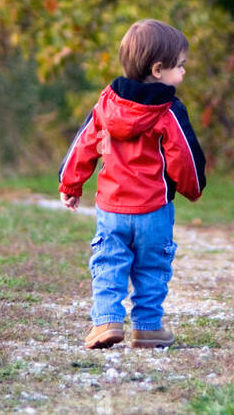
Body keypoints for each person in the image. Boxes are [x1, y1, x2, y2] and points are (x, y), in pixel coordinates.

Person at [58, 18, 207, 350]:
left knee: (109, 262)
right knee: (151, 267)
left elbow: (85, 143)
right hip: (154, 210)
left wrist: (71, 184)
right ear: (157, 70)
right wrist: (192, 188)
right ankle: (148, 327)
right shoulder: (167, 111)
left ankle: (106, 323)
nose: (183, 73)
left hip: (111, 208)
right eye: (180, 67)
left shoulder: (106, 104)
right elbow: (184, 154)